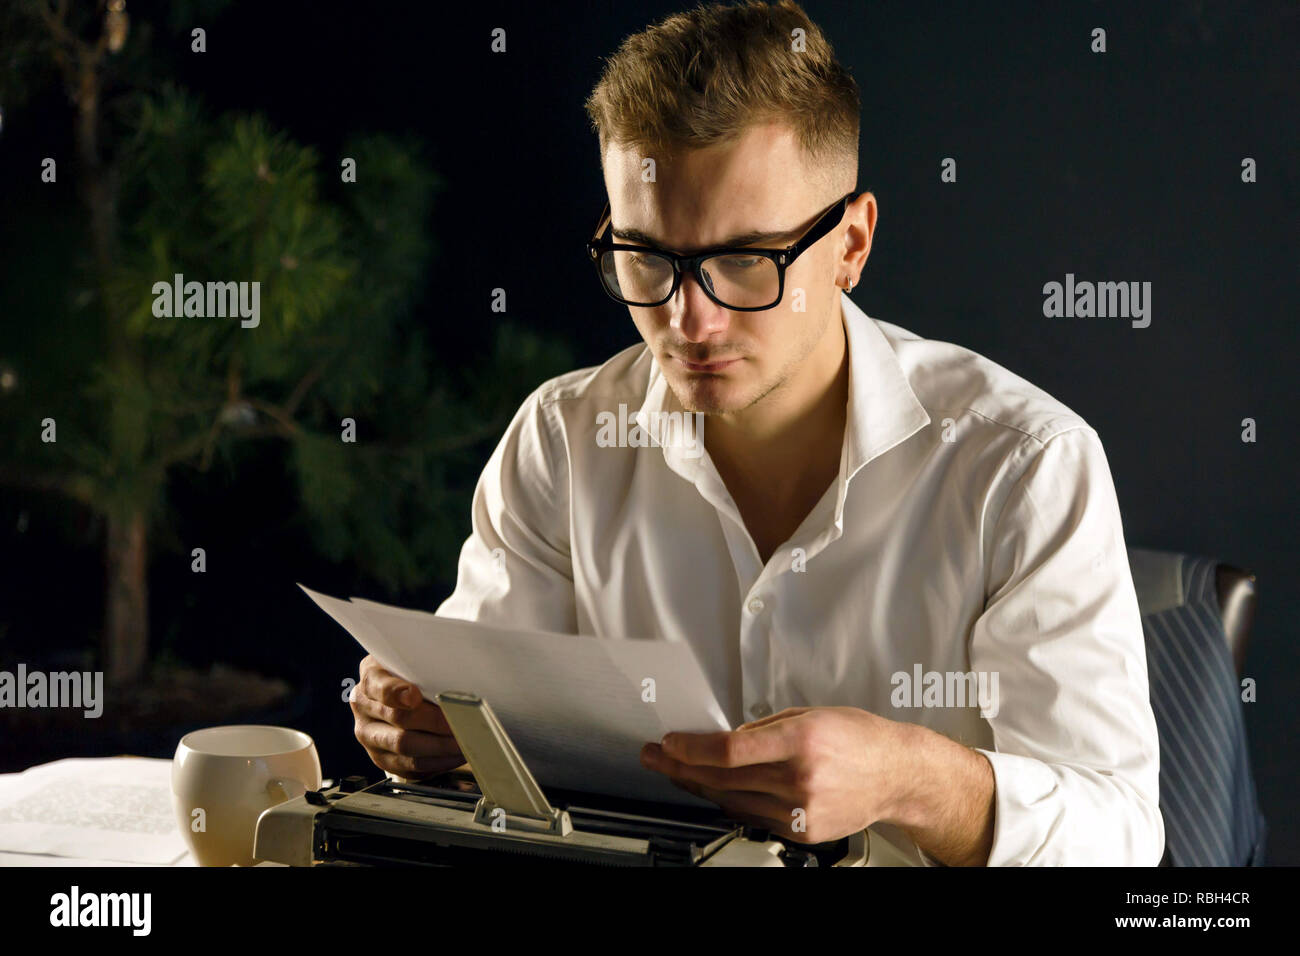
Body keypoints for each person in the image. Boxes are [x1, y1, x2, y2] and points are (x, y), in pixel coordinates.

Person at [350, 0, 1163, 866]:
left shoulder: (1026, 467)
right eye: (646, 257)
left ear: (850, 244)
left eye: (745, 259)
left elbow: (1119, 837)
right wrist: (427, 733)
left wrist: (907, 778)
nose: (686, 320)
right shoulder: (562, 438)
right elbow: (477, 734)